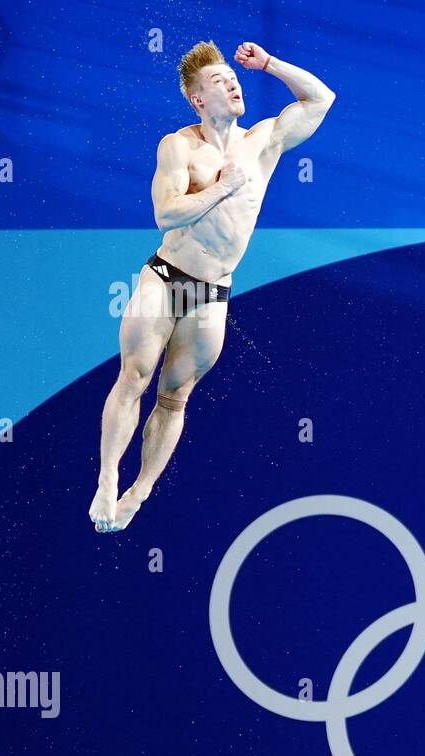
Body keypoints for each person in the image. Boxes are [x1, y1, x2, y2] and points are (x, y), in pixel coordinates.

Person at [88, 41, 335, 532]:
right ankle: (108, 480)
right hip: (165, 277)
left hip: (213, 292)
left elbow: (320, 100)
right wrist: (224, 186)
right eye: (220, 81)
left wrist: (270, 64)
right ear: (198, 99)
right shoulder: (178, 145)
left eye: (235, 78)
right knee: (135, 376)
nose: (233, 83)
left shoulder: (263, 141)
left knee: (175, 396)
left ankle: (140, 491)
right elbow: (165, 212)